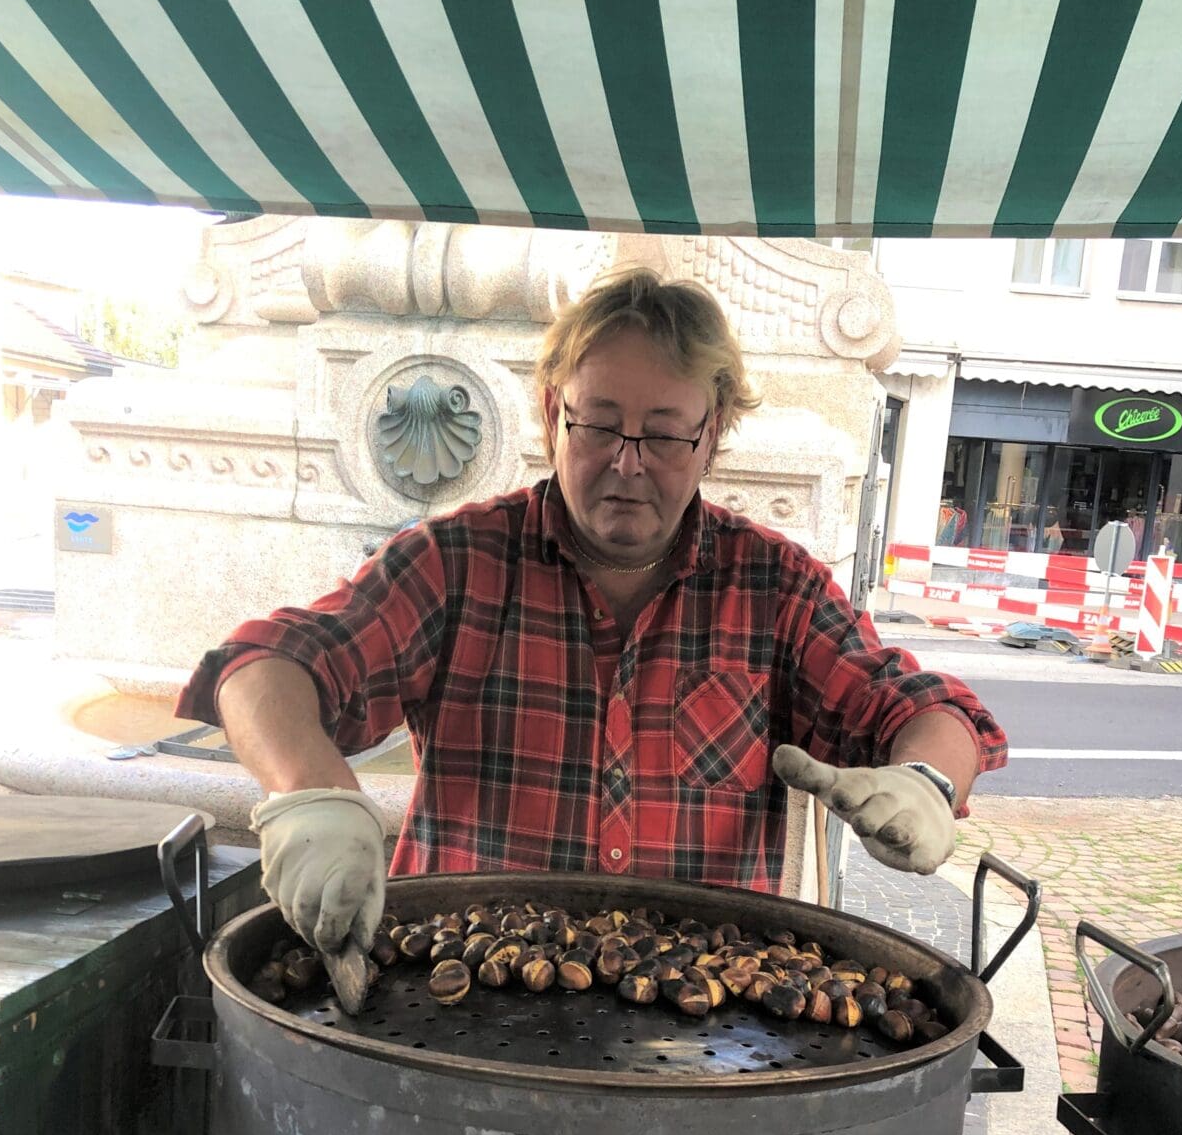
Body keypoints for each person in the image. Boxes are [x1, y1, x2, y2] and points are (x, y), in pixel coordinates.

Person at [177, 269, 1006, 956]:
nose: (627, 464)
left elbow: (928, 711)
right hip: (459, 1003)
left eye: (665, 435)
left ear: (712, 434)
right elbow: (261, 665)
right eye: (599, 425)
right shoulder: (455, 565)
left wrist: (926, 782)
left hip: (700, 1036)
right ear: (552, 414)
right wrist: (312, 792)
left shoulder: (775, 589)